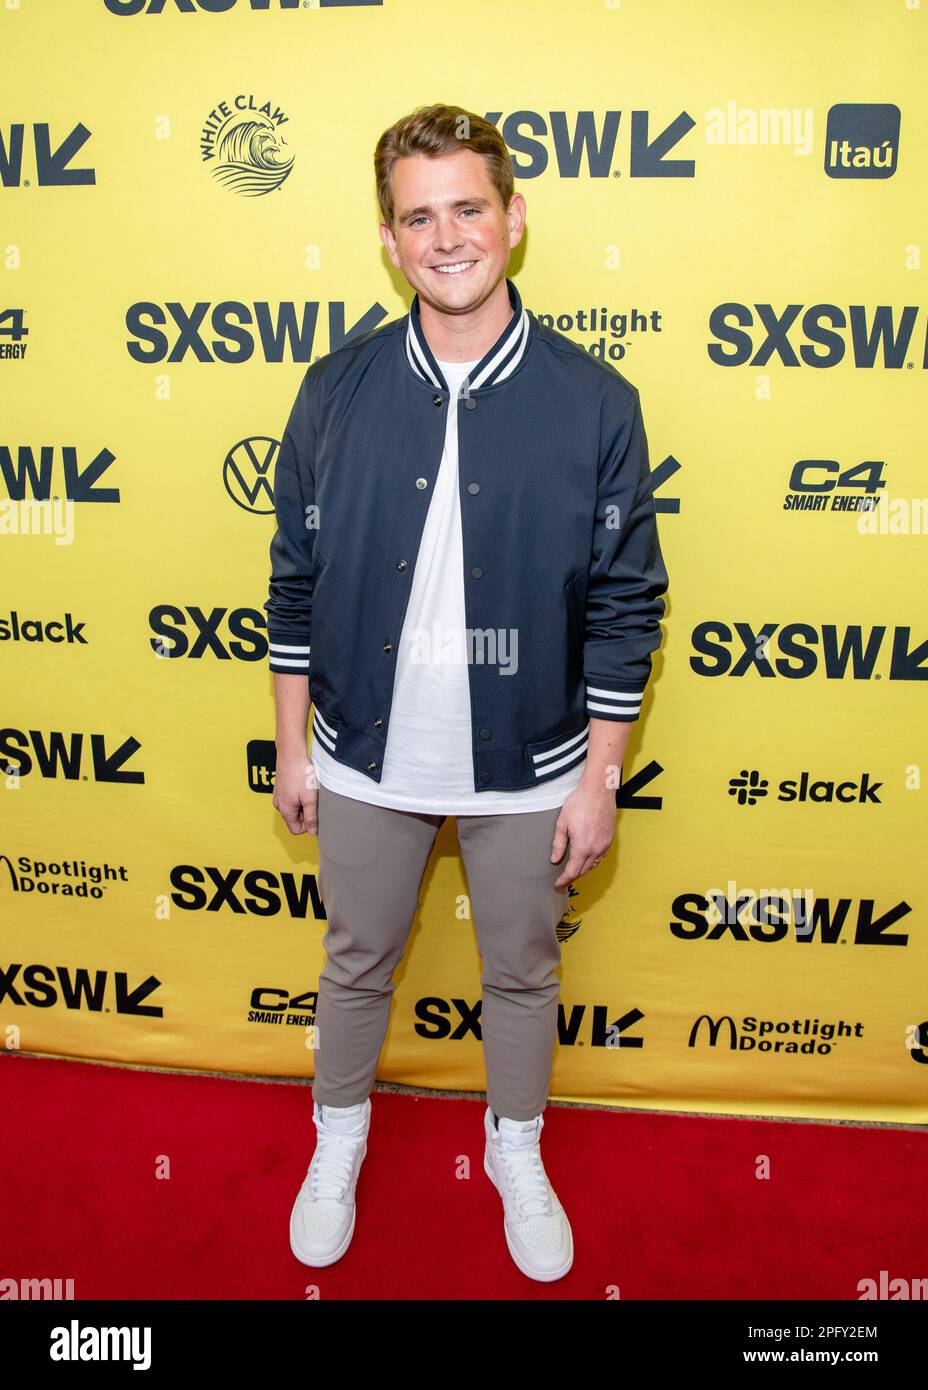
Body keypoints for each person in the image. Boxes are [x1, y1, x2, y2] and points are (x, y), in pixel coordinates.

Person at [264, 103, 669, 1284]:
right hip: (360, 750)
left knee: (525, 972)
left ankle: (516, 1145)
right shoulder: (332, 390)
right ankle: (337, 1140)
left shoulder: (596, 402)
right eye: (418, 216)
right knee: (354, 961)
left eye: (468, 208)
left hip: (533, 760)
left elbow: (623, 607)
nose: (447, 237)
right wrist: (293, 750)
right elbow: (293, 584)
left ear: (514, 218)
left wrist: (599, 781)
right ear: (389, 240)